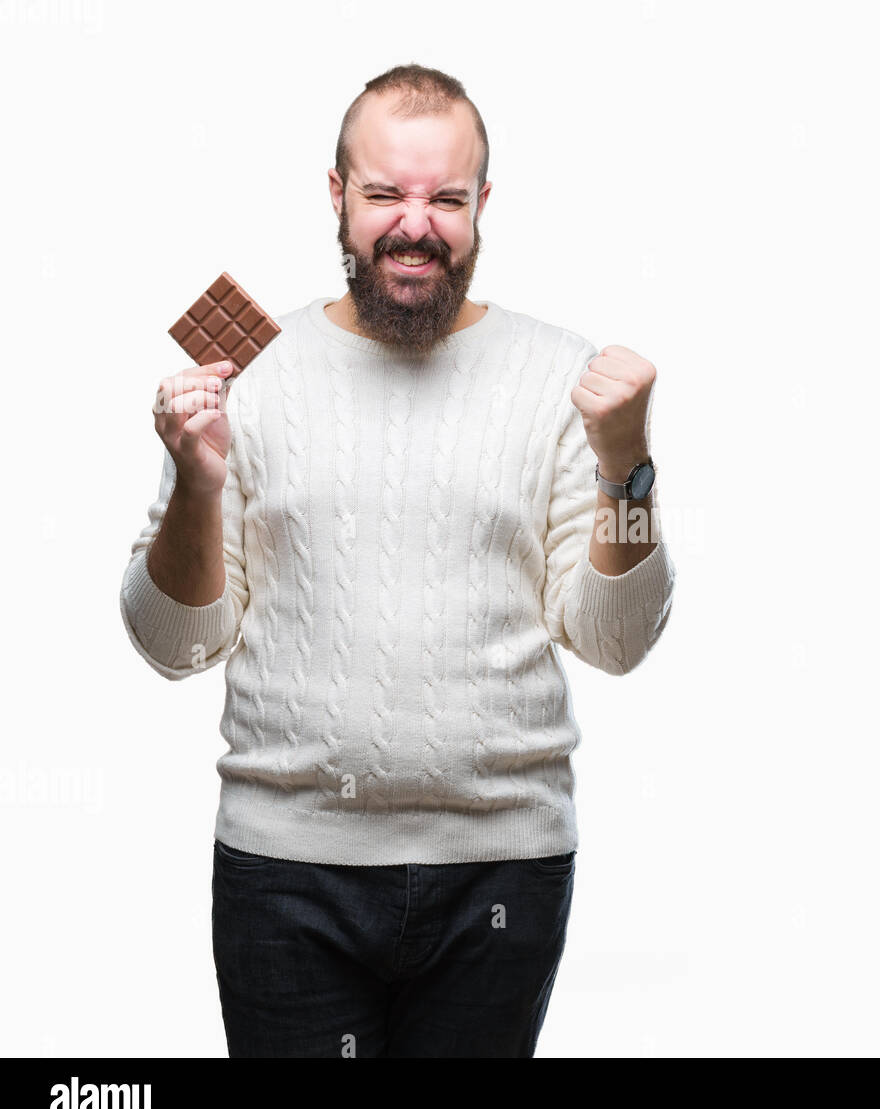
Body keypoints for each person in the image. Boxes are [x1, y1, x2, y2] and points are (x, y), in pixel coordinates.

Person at [119, 64, 675, 1058]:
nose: (414, 226)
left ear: (482, 203)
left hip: (503, 871)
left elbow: (618, 640)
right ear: (337, 194)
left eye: (445, 200)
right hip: (285, 870)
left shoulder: (561, 374)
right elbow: (172, 646)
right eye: (384, 194)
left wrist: (626, 462)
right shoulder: (248, 373)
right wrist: (196, 485)